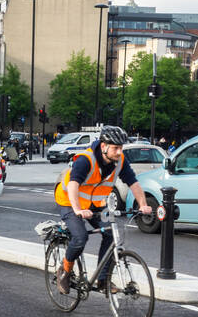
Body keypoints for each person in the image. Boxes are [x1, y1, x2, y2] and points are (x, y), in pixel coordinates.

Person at [53, 125, 153, 296]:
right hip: (70, 202)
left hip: (95, 205)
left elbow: (134, 184)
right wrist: (78, 209)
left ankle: (103, 279)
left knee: (110, 234)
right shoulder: (86, 160)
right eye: (115, 148)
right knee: (80, 237)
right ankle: (65, 271)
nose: (119, 151)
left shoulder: (120, 161)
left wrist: (143, 205)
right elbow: (73, 185)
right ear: (103, 146)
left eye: (121, 147)